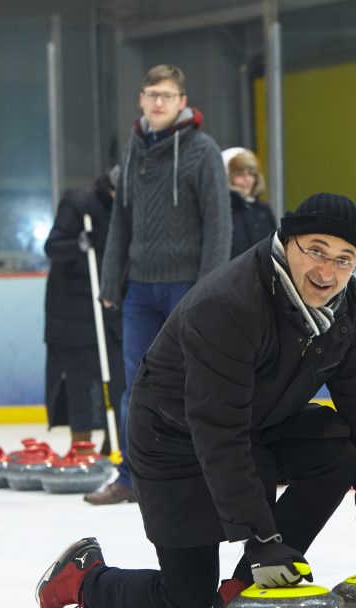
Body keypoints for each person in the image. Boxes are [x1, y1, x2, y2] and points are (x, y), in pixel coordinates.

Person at [35, 193, 356, 608]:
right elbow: (218, 428)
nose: (327, 272)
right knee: (185, 600)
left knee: (342, 445)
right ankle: (83, 579)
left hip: (257, 426)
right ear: (288, 243)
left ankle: (245, 586)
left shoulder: (344, 306)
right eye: (316, 250)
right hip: (173, 440)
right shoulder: (231, 302)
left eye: (345, 260)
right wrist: (260, 539)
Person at [95, 64, 232, 505]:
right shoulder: (134, 151)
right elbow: (121, 221)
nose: (158, 102)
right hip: (139, 289)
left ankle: (194, 475)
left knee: (192, 384)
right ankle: (132, 478)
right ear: (141, 99)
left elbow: (218, 225)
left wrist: (208, 289)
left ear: (182, 101)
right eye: (151, 94)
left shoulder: (203, 151)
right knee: (136, 385)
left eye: (167, 96)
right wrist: (111, 279)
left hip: (186, 288)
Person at [43, 167, 125, 452]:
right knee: (80, 379)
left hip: (112, 308)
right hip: (73, 312)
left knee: (117, 377)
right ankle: (81, 444)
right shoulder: (79, 203)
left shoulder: (131, 207)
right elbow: (53, 247)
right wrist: (79, 244)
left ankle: (113, 440)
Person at [223, 148, 277, 258]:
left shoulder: (263, 210)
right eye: (240, 175)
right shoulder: (225, 210)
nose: (246, 180)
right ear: (230, 178)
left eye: (251, 174)